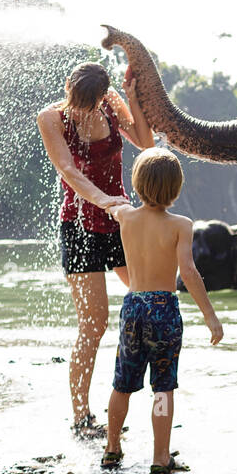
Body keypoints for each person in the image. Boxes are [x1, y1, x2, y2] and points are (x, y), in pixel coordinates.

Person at [36, 61, 154, 438]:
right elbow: (68, 171)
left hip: (119, 223)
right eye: (77, 101)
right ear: (68, 86)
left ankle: (140, 396)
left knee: (150, 298)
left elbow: (145, 142)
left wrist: (133, 99)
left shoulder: (111, 103)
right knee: (94, 324)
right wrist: (108, 201)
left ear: (103, 96)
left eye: (90, 103)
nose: (83, 110)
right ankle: (82, 417)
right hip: (80, 226)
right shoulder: (52, 118)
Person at [100, 147, 222, 474]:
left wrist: (114, 202)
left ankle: (112, 449)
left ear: (137, 184)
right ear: (176, 188)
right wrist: (210, 315)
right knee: (163, 386)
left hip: (133, 306)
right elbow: (189, 271)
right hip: (164, 309)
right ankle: (160, 457)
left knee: (122, 383)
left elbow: (111, 207)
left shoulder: (126, 216)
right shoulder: (182, 225)